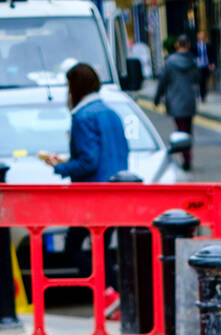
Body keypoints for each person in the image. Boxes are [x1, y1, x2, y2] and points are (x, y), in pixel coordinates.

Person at [38, 62, 130, 311]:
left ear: (75, 87)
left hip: (92, 195)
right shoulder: (111, 113)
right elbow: (112, 154)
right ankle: (114, 296)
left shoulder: (82, 116)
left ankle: (109, 294)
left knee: (73, 246)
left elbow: (89, 161)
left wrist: (59, 167)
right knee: (101, 248)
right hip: (116, 191)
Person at [153, 33, 198, 171]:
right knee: (188, 130)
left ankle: (186, 158)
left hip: (175, 100)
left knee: (180, 129)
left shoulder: (170, 62)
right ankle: (188, 157)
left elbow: (162, 81)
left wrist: (157, 98)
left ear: (177, 45)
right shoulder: (192, 61)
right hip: (189, 99)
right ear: (188, 45)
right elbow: (197, 78)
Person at [195, 31, 215, 103]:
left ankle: (203, 96)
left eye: (203, 35)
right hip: (198, 66)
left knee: (204, 81)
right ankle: (198, 95)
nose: (201, 36)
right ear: (198, 36)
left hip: (205, 65)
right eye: (200, 35)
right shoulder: (195, 45)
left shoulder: (207, 45)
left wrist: (212, 63)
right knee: (199, 81)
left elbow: (211, 55)